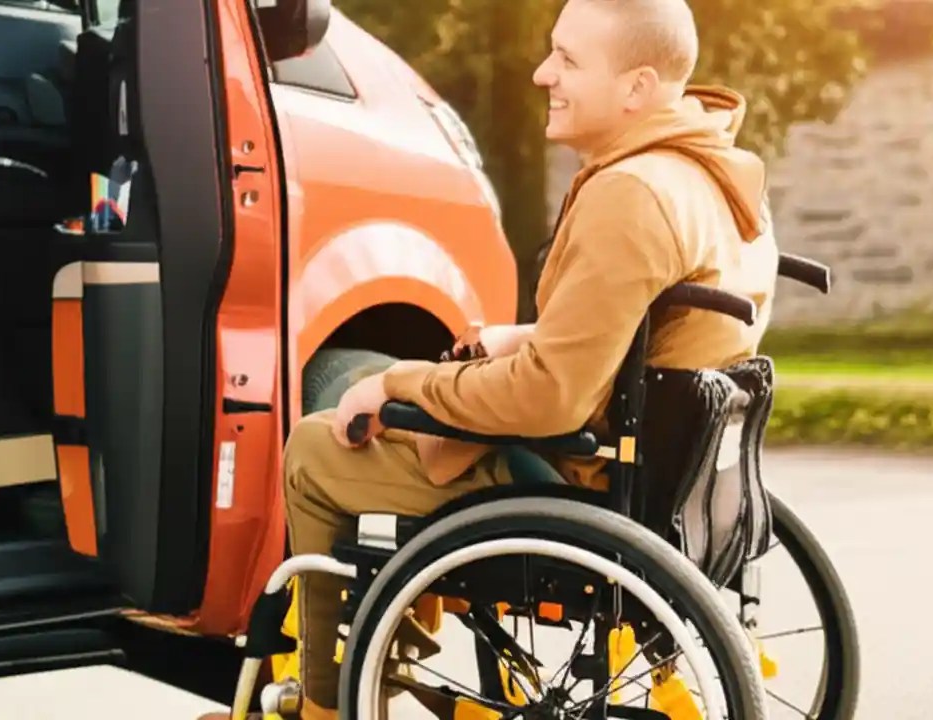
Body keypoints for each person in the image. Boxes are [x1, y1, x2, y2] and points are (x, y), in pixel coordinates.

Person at [204, 0, 779, 716]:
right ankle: (399, 620)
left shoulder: (631, 194)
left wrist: (400, 382)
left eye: (568, 59)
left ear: (635, 88)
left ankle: (324, 700)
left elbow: (549, 400)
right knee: (352, 385)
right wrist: (522, 340)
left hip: (575, 478)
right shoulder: (716, 178)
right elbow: (646, 337)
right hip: (658, 470)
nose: (544, 74)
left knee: (319, 445)